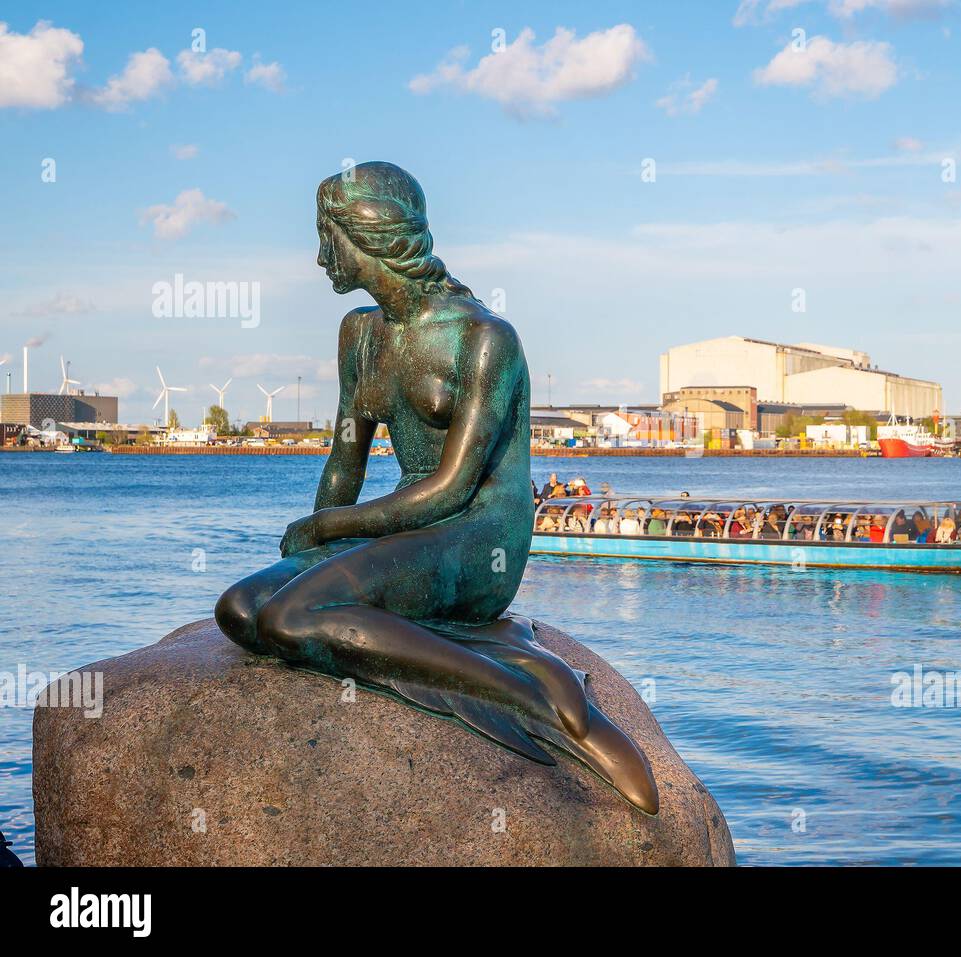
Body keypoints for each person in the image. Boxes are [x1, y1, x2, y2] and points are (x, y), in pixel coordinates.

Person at [213, 162, 655, 811]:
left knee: (292, 614)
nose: (316, 257)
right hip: (409, 525)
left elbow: (452, 487)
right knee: (242, 608)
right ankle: (470, 647)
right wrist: (306, 558)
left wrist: (330, 535)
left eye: (325, 238)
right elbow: (344, 461)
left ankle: (531, 692)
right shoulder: (359, 334)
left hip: (477, 535)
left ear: (367, 237)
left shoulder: (484, 338)